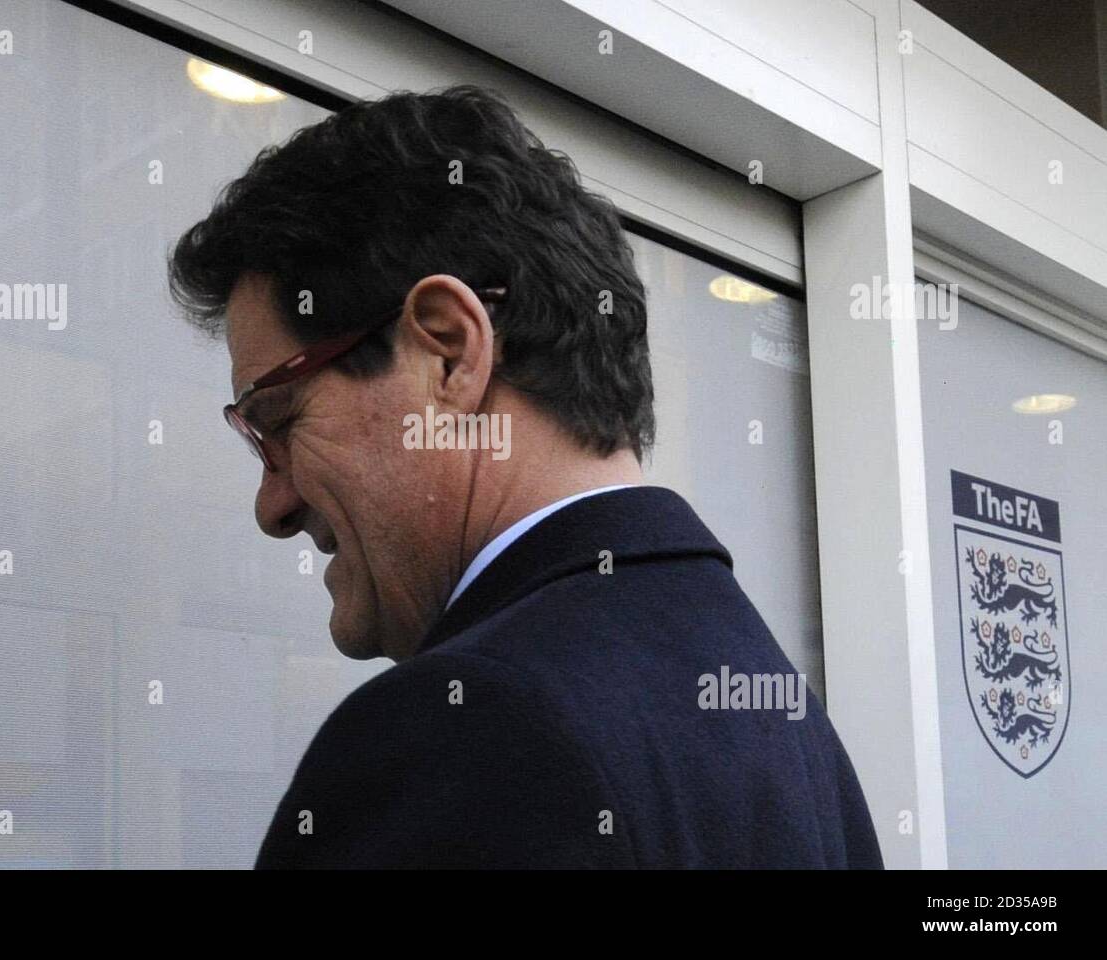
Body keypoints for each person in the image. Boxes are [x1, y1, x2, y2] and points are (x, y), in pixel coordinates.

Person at [169, 84, 883, 869]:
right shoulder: (785, 718)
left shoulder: (463, 730)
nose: (271, 504)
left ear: (447, 353)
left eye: (276, 419)